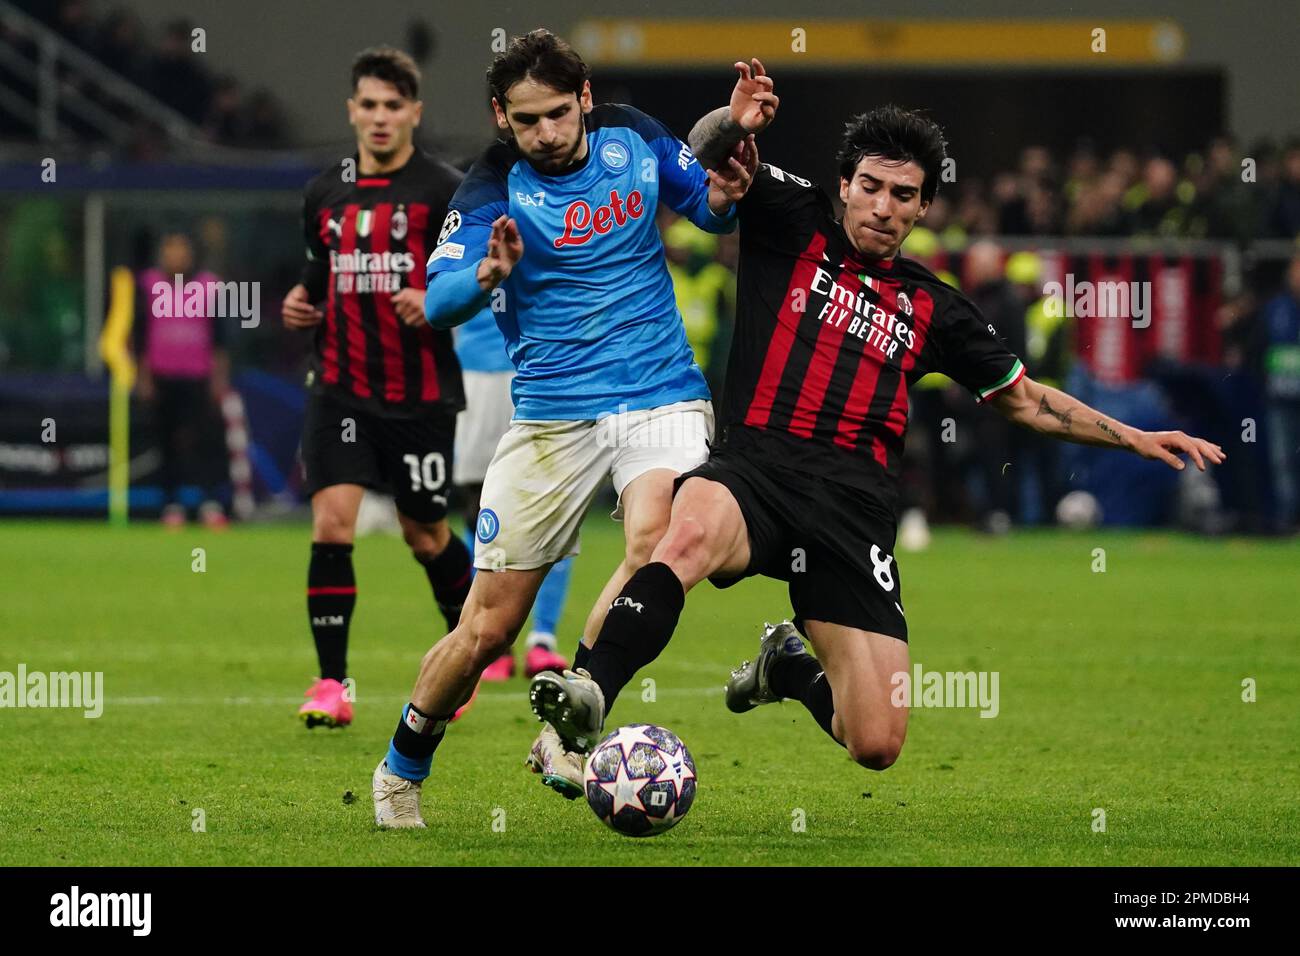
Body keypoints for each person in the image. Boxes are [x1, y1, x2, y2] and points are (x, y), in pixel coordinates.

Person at [529, 105, 1225, 781]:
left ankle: (789, 668)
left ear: (923, 209)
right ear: (843, 186)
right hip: (757, 471)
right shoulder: (789, 215)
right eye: (871, 187)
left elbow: (1027, 401)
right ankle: (592, 691)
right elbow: (705, 155)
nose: (884, 207)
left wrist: (1134, 437)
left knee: (876, 742)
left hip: (852, 513)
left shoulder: (938, 308)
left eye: (904, 195)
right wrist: (735, 124)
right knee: (681, 539)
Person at [369, 29, 777, 828]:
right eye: (527, 121)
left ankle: (572, 720)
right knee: (489, 627)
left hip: (661, 391)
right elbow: (439, 296)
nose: (547, 134)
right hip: (553, 411)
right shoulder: (492, 187)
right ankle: (401, 765)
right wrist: (485, 273)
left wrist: (729, 162)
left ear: (585, 99)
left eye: (558, 114)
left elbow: (706, 207)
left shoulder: (631, 133)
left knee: (654, 541)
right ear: (501, 117)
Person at [281, 47, 470, 730]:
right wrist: (299, 304)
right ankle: (332, 683)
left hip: (418, 393)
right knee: (332, 524)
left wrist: (438, 296)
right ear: (352, 110)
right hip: (337, 387)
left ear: (414, 112)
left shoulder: (444, 190)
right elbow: (315, 272)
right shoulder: (324, 191)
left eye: (394, 105)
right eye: (369, 104)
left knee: (426, 533)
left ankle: (465, 651)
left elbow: (476, 277)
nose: (381, 117)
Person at [451, 305, 571, 681]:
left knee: (556, 505)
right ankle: (492, 641)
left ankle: (543, 639)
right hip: (475, 372)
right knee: (479, 504)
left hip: (543, 369)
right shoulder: (459, 243)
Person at [135, 231, 230, 529]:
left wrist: (219, 379)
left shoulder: (210, 286)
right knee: (167, 443)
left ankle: (209, 503)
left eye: (181, 250)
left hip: (198, 377)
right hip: (163, 376)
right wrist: (144, 376)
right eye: (170, 249)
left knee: (205, 441)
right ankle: (171, 505)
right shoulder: (149, 285)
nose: (176, 256)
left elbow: (220, 338)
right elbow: (139, 335)